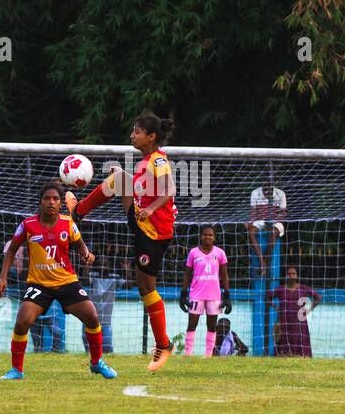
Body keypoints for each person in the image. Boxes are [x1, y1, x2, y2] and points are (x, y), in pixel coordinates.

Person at [68, 113, 178, 372]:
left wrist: (151, 210)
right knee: (119, 179)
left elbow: (169, 190)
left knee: (146, 289)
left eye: (137, 131)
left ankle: (164, 344)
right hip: (142, 222)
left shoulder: (159, 160)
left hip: (152, 233)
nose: (132, 135)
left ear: (151, 137)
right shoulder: (146, 161)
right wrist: (126, 182)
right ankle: (77, 213)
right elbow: (143, 188)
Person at [0, 180, 116, 381]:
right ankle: (17, 370)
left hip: (67, 282)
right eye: (47, 198)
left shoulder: (67, 223)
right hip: (39, 284)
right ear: (40, 202)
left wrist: (87, 254)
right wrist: (3, 277)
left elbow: (79, 244)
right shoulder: (27, 225)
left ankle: (96, 363)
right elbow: (12, 250)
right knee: (22, 322)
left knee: (92, 317)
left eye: (56, 199)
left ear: (60, 203)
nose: (51, 202)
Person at [180, 225, 231, 357]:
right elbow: (187, 274)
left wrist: (227, 295)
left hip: (214, 295)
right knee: (192, 323)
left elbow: (224, 275)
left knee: (212, 325)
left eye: (210, 235)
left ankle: (208, 355)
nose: (207, 237)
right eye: (205, 234)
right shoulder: (193, 253)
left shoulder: (220, 253)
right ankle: (188, 354)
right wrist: (183, 294)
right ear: (200, 236)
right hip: (196, 294)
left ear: (214, 238)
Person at [79, 254, 128, 354]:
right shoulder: (92, 276)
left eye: (105, 264)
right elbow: (84, 281)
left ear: (109, 265)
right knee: (89, 352)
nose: (103, 266)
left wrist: (126, 270)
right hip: (90, 321)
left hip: (105, 323)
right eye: (100, 263)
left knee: (108, 352)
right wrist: (86, 269)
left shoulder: (114, 278)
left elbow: (129, 285)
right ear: (96, 265)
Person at [268, 266, 321, 357]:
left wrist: (308, 310)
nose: (291, 275)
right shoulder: (280, 289)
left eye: (293, 274)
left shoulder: (303, 288)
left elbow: (318, 297)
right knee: (284, 338)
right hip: (284, 320)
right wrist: (276, 307)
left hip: (299, 320)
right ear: (286, 276)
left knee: (300, 339)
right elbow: (267, 298)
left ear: (297, 276)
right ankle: (283, 356)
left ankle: (302, 357)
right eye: (289, 274)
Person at [246, 180, 287, 275]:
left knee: (272, 233)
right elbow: (253, 213)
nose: (267, 185)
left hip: (276, 221)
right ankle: (262, 262)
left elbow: (283, 213)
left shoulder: (280, 193)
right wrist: (249, 222)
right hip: (260, 220)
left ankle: (265, 264)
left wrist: (273, 221)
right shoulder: (255, 193)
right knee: (251, 232)